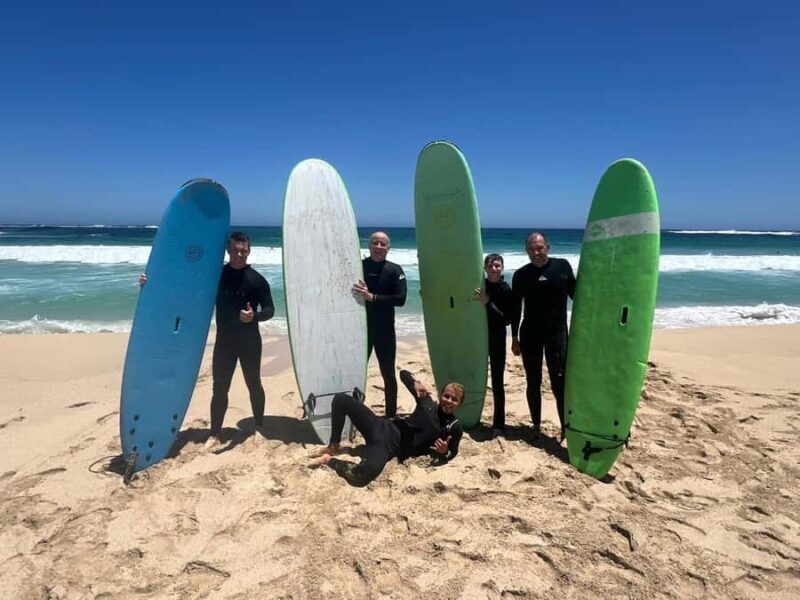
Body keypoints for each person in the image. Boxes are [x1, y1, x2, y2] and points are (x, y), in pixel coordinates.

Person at [139, 231, 275, 449]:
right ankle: (215, 433)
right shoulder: (216, 277)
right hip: (225, 343)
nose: (239, 254)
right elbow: (185, 289)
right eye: (235, 250)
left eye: (243, 250)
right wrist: (151, 283)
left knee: (254, 384)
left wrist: (254, 317)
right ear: (228, 251)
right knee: (219, 388)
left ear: (249, 251)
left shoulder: (257, 281)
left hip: (250, 342)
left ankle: (259, 427)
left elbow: (270, 310)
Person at [308, 370, 464, 486]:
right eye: (446, 396)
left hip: (387, 447)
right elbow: (403, 373)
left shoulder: (454, 427)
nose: (449, 401)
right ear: (440, 395)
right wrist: (414, 382)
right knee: (340, 399)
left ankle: (329, 460)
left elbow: (453, 453)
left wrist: (444, 452)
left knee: (363, 475)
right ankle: (334, 445)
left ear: (460, 404)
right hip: (380, 426)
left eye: (454, 399)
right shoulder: (426, 401)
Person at [510, 232, 575, 441]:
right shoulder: (521, 275)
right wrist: (513, 338)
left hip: (557, 334)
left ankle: (566, 426)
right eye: (531, 249)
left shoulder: (562, 267)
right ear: (526, 251)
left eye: (539, 248)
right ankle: (536, 426)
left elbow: (579, 295)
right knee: (533, 381)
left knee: (560, 382)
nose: (536, 252)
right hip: (530, 334)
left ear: (548, 247)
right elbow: (515, 309)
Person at [351, 231, 407, 417]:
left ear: (388, 248)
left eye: (383, 244)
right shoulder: (358, 266)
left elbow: (400, 299)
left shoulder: (394, 270)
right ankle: (353, 412)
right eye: (375, 243)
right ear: (369, 245)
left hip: (384, 330)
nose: (378, 247)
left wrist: (372, 297)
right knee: (356, 373)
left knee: (388, 374)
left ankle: (390, 416)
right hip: (360, 330)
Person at [474, 254, 514, 437]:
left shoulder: (505, 289)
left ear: (502, 268)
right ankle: (471, 416)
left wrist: (488, 302)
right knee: (474, 375)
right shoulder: (479, 285)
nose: (494, 269)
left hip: (496, 338)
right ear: (485, 267)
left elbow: (506, 319)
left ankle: (498, 424)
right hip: (477, 337)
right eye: (490, 265)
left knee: (497, 381)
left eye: (497, 265)